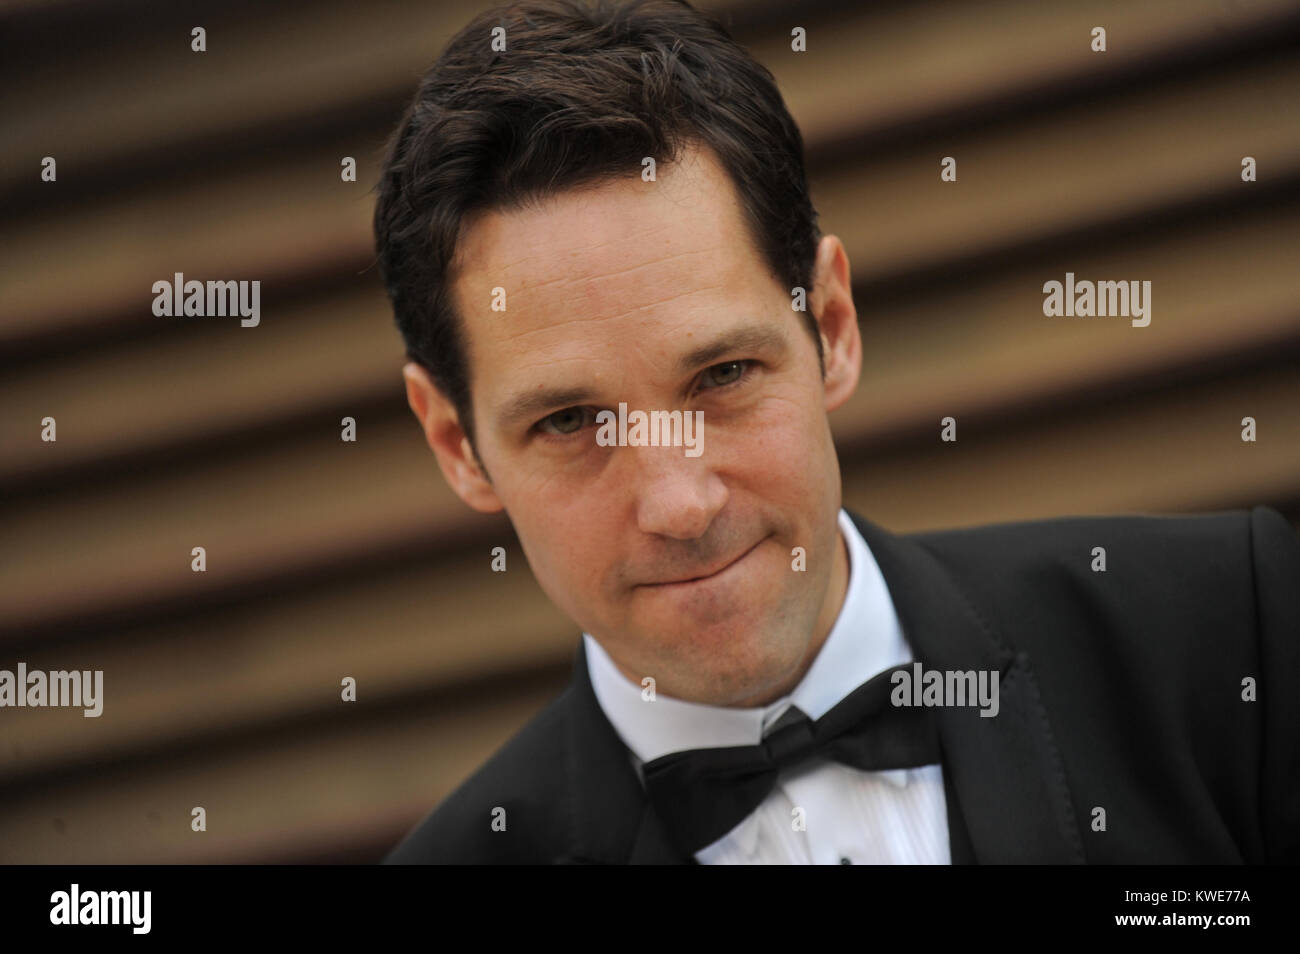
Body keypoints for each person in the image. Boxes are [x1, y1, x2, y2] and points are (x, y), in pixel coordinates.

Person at [371, 0, 1299, 864]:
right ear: (457, 446)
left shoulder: (1231, 633)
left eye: (723, 376)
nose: (680, 505)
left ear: (834, 328)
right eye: (569, 421)